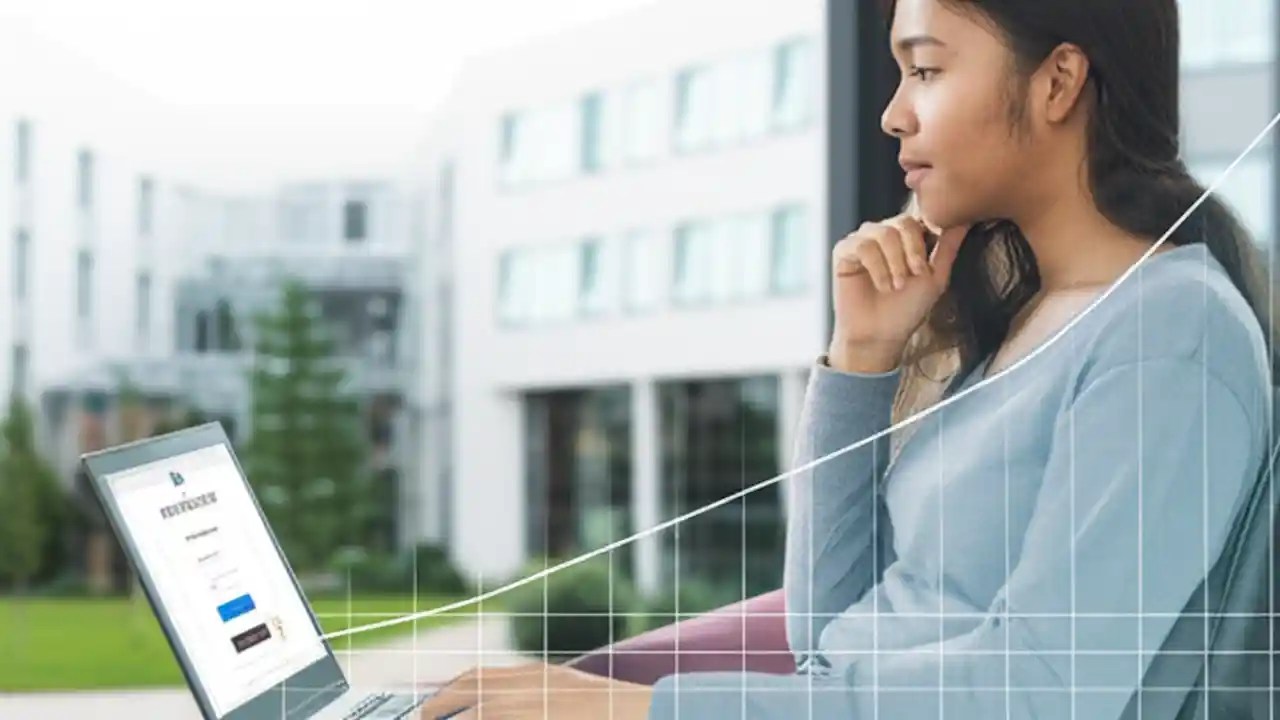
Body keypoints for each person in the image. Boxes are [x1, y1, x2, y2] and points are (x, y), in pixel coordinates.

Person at [419, 0, 1275, 717]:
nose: (894, 114)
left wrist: (643, 709)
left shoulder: (1169, 337)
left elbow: (1042, 690)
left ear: (1058, 81)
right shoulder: (1029, 316)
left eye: (928, 69)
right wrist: (862, 361)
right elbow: (828, 632)